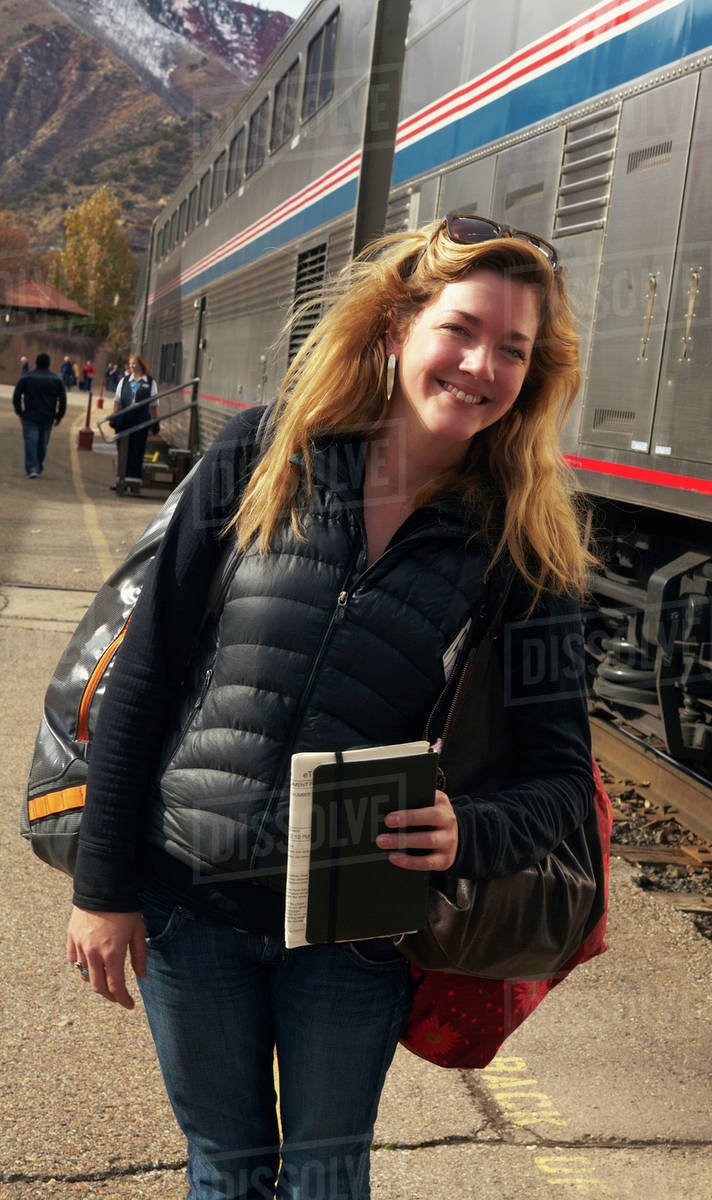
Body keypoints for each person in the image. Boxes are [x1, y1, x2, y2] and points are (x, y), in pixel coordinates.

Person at [66, 215, 595, 1199]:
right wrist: (105, 886)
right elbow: (146, 675)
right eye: (462, 329)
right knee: (224, 1170)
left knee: (323, 1177)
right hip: (191, 899)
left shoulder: (523, 550)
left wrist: (465, 831)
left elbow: (563, 783)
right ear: (397, 326)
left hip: (352, 931)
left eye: (512, 350)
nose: (482, 366)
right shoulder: (263, 450)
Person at [13, 351, 67, 478]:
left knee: (31, 442)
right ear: (49, 364)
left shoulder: (26, 377)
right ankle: (38, 465)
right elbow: (62, 399)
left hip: (30, 416)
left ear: (36, 363)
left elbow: (16, 396)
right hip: (48, 417)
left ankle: (32, 468)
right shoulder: (56, 380)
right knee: (43, 443)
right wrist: (59, 416)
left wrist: (19, 412)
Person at [110, 354, 159, 493]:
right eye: (130, 363)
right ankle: (121, 481)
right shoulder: (124, 381)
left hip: (141, 422)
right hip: (124, 422)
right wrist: (115, 416)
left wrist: (155, 422)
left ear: (141, 364)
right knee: (123, 452)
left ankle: (134, 484)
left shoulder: (150, 382)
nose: (131, 365)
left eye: (134, 363)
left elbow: (154, 405)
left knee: (137, 453)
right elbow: (117, 401)